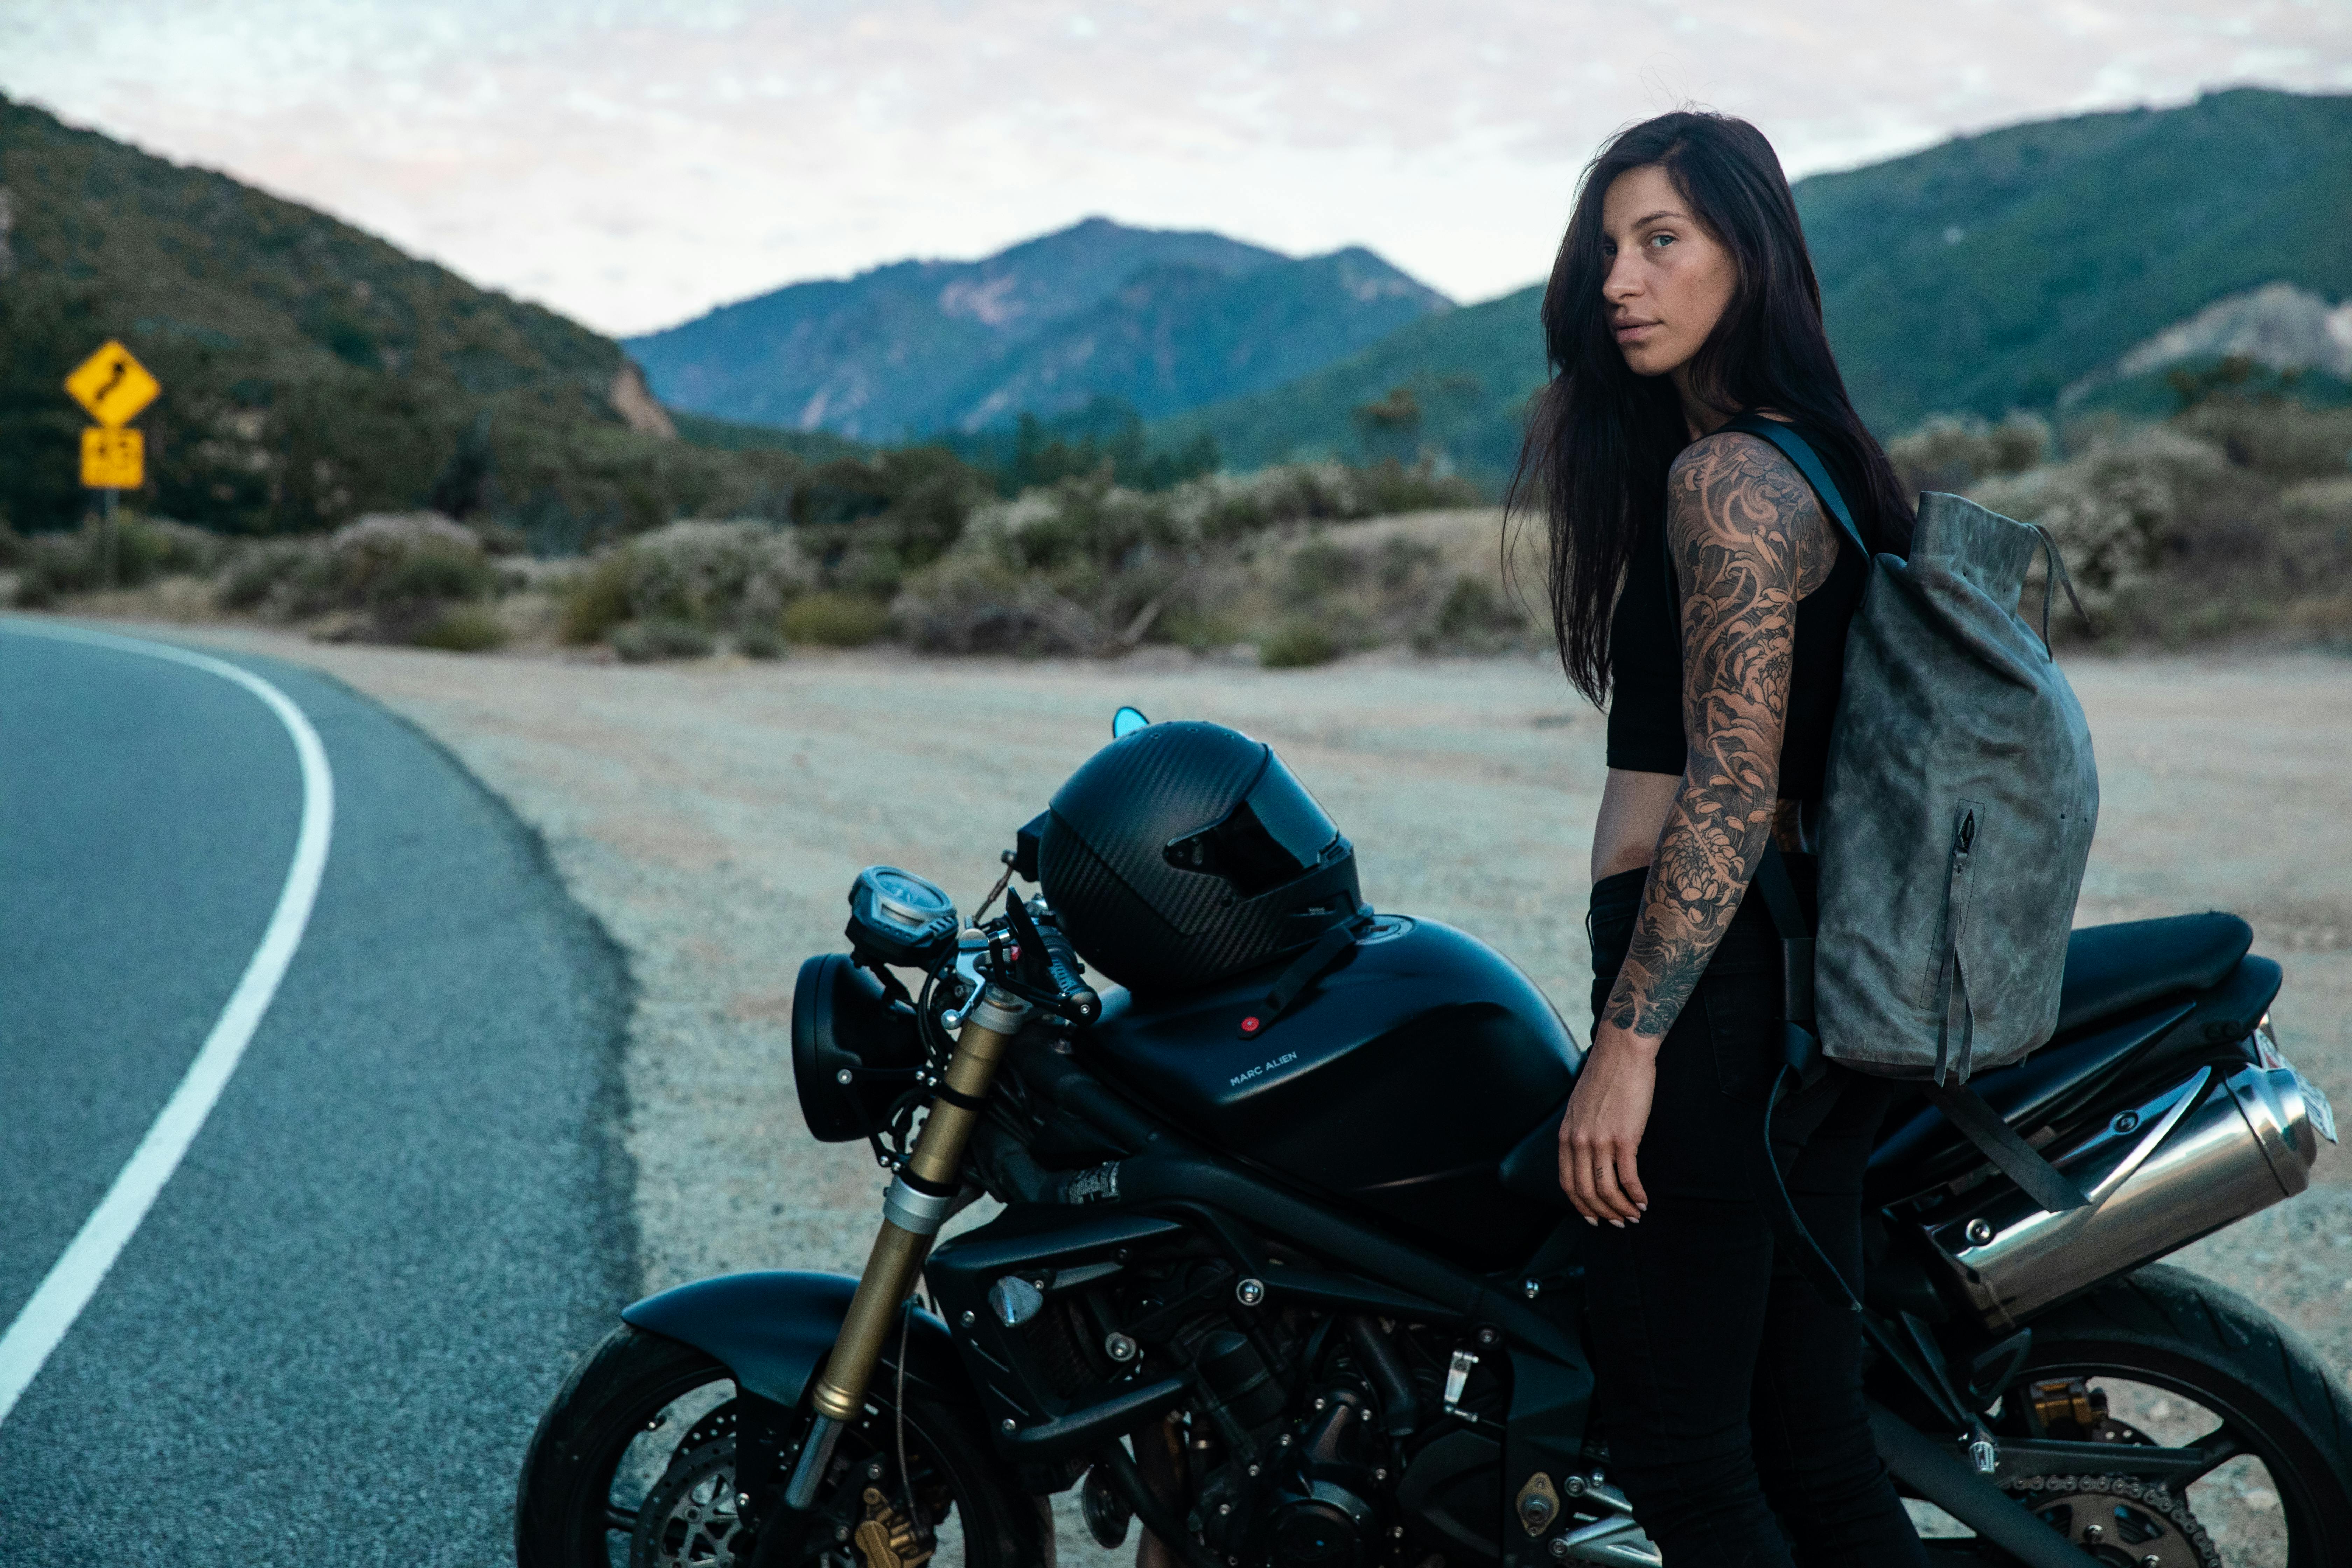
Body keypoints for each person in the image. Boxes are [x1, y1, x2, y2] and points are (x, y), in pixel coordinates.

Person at [1510, 111, 1933, 1565]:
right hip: (1791, 978)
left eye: (1662, 241)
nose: (1621, 278)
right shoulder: (1808, 459)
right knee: (1807, 1440)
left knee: (1684, 1456)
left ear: (1749, 255)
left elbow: (1731, 792)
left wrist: (1628, 1045)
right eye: (1609, 246)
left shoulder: (1733, 482)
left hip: (1714, 989)